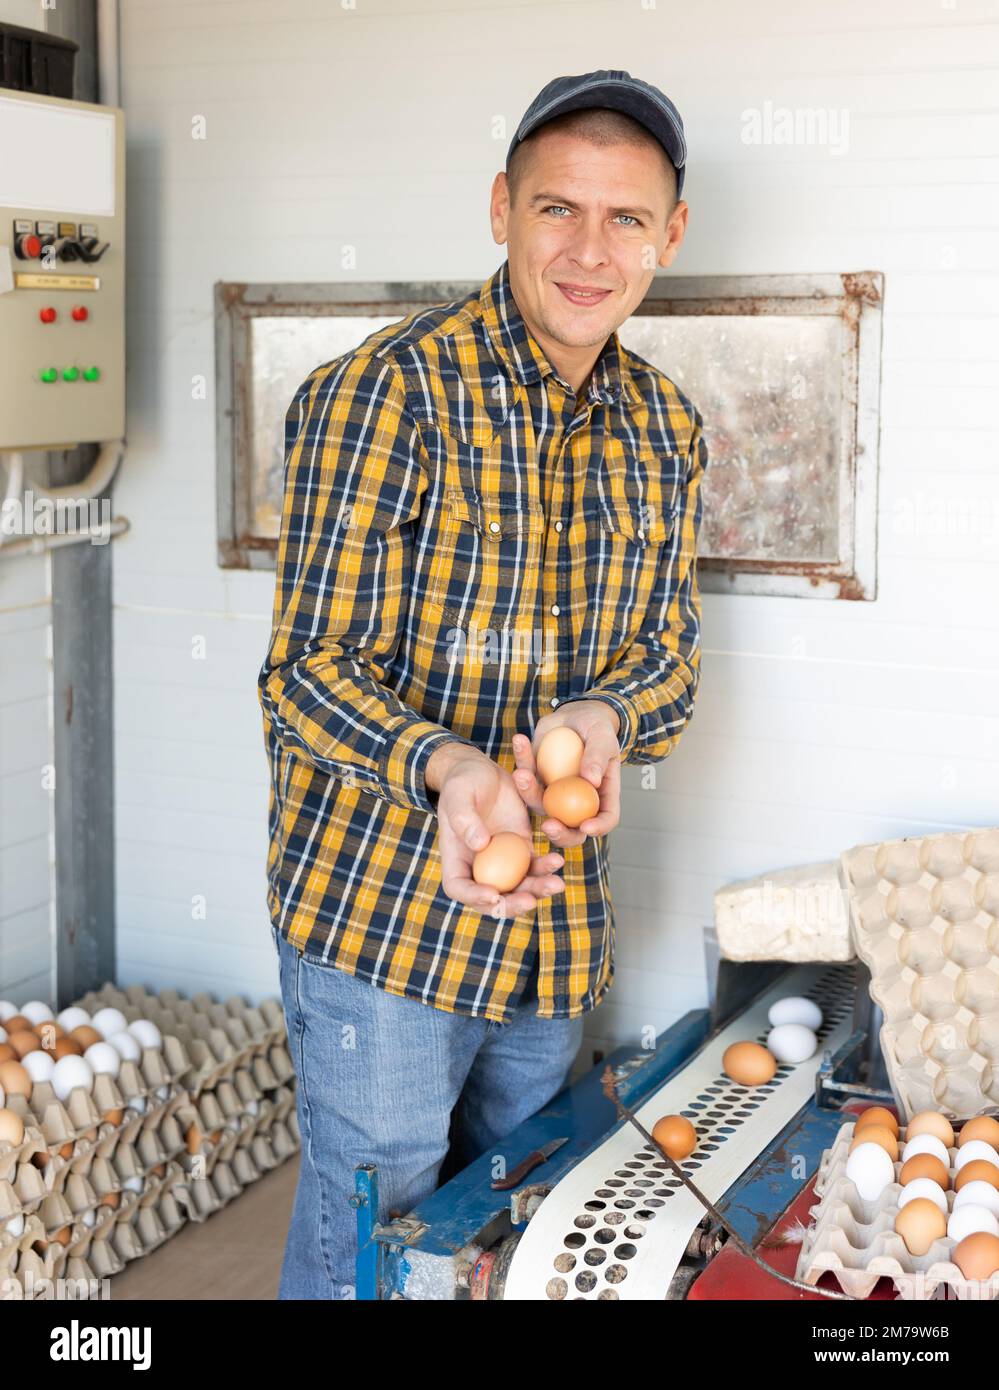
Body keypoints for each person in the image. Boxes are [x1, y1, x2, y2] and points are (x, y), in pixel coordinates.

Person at [257, 69, 708, 1299]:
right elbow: (303, 677)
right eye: (558, 208)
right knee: (380, 1238)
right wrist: (453, 767)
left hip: (553, 929)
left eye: (626, 219)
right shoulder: (383, 396)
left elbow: (670, 654)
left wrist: (603, 716)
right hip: (382, 924)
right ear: (501, 206)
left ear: (670, 236)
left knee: (513, 1212)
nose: (587, 250)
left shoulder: (665, 429)